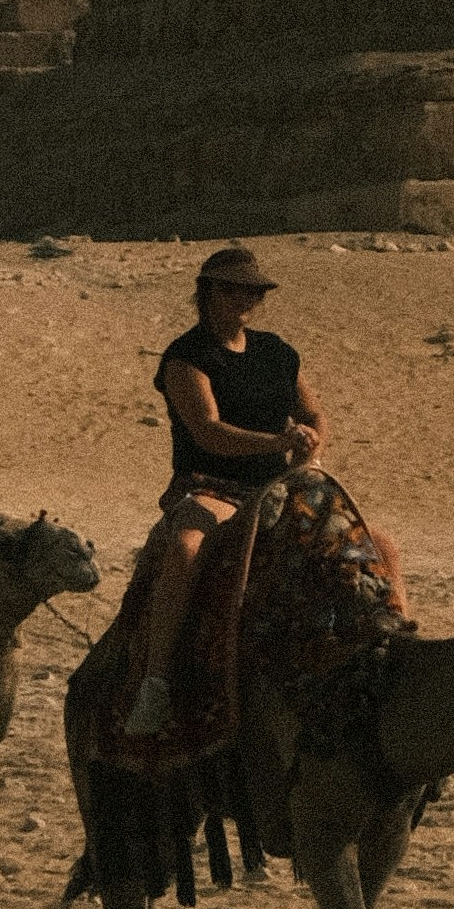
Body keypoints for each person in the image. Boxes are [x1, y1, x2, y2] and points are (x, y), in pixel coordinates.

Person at [109, 247, 322, 752]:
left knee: (368, 545)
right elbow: (208, 431)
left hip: (279, 485)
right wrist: (278, 442)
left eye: (253, 291)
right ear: (206, 292)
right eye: (231, 289)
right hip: (212, 485)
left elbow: (312, 413)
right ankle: (156, 682)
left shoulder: (277, 353)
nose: (243, 299)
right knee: (187, 546)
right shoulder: (187, 357)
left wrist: (310, 449)